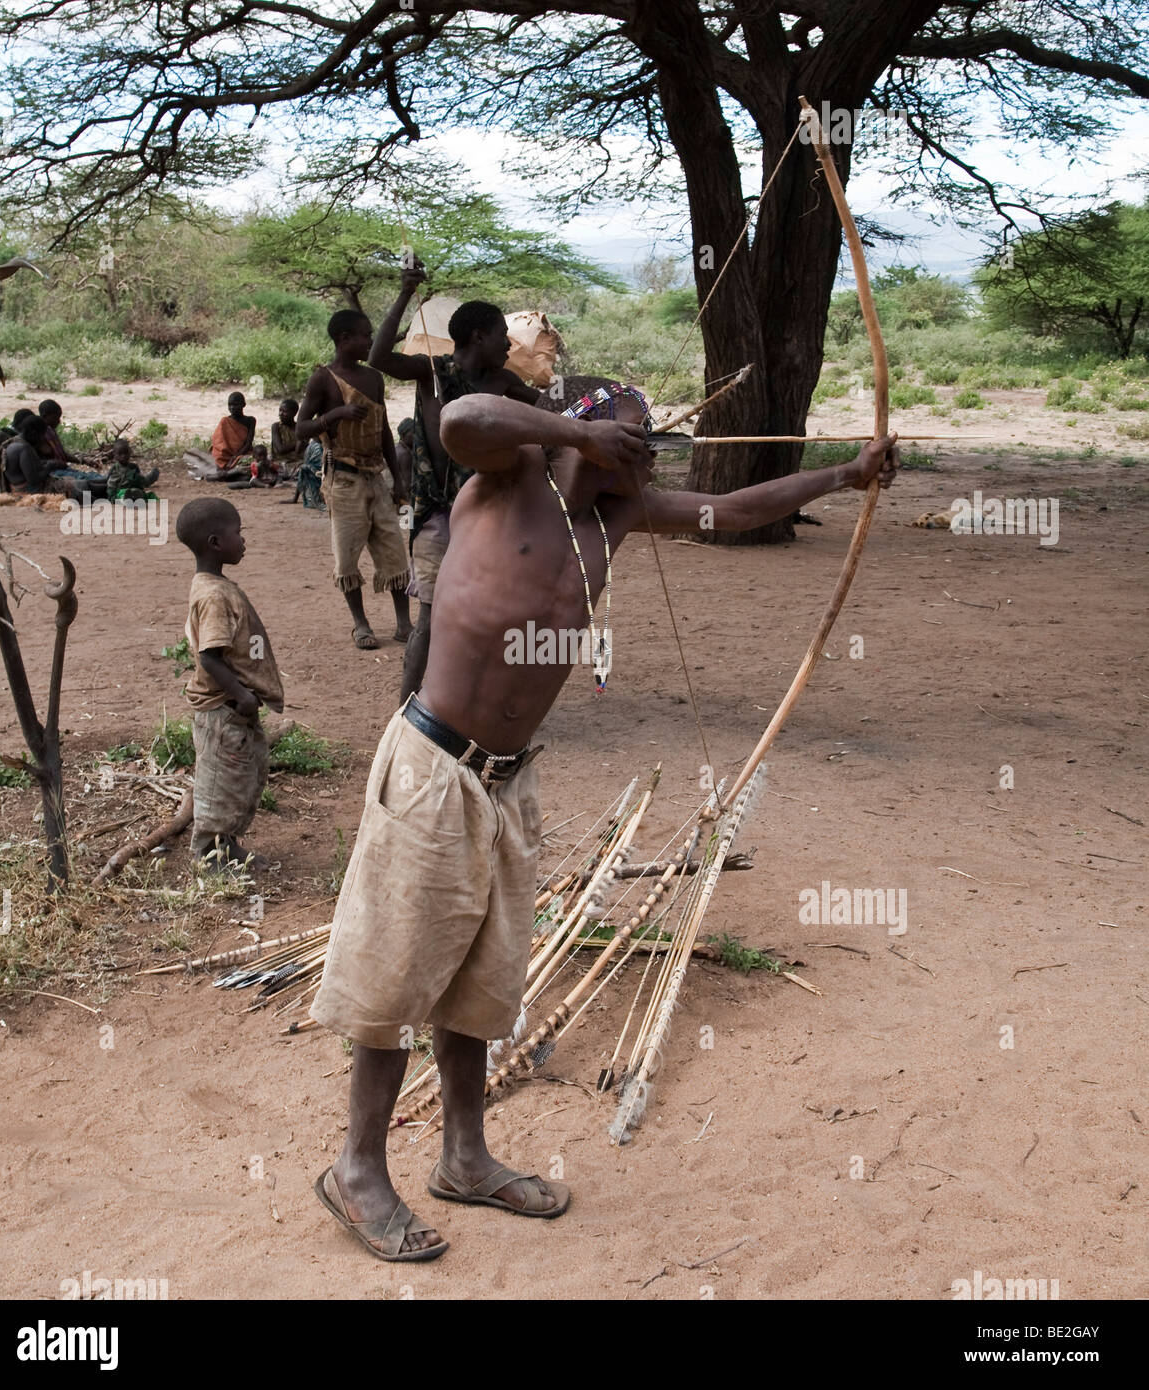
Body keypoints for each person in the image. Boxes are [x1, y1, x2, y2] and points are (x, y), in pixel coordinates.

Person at [308, 378, 900, 1261]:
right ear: (581, 428)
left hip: (507, 782)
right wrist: (572, 436)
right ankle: (357, 1169)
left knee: (479, 980)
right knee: (398, 976)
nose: (644, 445)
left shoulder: (622, 515)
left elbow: (734, 510)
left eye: (647, 436)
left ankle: (464, 1158)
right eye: (629, 430)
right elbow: (459, 418)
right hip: (433, 764)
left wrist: (846, 476)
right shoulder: (508, 474)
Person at [369, 262, 541, 701]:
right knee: (429, 619)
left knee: (490, 614)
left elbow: (552, 415)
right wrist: (406, 293)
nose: (509, 342)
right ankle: (406, 714)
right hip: (439, 520)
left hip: (490, 518)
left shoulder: (504, 382)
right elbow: (378, 359)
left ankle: (475, 705)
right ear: (479, 336)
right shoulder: (432, 373)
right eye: (503, 333)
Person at [175, 497, 285, 871]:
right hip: (224, 710)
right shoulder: (214, 595)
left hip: (232, 709)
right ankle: (210, 855)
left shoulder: (213, 586)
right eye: (237, 532)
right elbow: (209, 655)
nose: (243, 540)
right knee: (220, 782)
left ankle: (227, 846)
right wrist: (240, 695)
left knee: (239, 777)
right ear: (215, 543)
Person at [295, 309, 412, 649]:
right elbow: (301, 429)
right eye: (365, 335)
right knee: (346, 558)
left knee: (393, 553)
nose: (370, 341)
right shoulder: (323, 379)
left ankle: (403, 624)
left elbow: (384, 431)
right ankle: (361, 624)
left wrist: (398, 480)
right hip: (343, 479)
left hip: (376, 476)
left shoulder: (373, 378)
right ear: (344, 340)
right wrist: (337, 414)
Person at [211, 392, 256, 472]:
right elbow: (218, 443)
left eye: (235, 405)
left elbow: (248, 444)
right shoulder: (224, 421)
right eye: (229, 405)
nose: (232, 408)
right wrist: (229, 457)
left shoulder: (250, 420)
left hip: (243, 454)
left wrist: (236, 456)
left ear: (243, 404)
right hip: (225, 456)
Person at [283, 436, 326, 510]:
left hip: (313, 495)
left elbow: (303, 472)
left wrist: (295, 498)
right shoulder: (327, 447)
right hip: (330, 493)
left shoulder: (312, 447)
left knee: (304, 468)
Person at [38, 399, 84, 466]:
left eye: (59, 418)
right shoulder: (38, 435)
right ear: (44, 416)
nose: (59, 421)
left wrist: (82, 461)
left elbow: (62, 454)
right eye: (55, 418)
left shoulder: (51, 431)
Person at [271, 399, 302, 471]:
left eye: (284, 411)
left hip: (296, 462)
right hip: (279, 462)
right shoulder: (276, 426)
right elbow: (280, 449)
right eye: (280, 410)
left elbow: (299, 450)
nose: (280, 414)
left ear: (294, 413)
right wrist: (297, 443)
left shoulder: (299, 427)